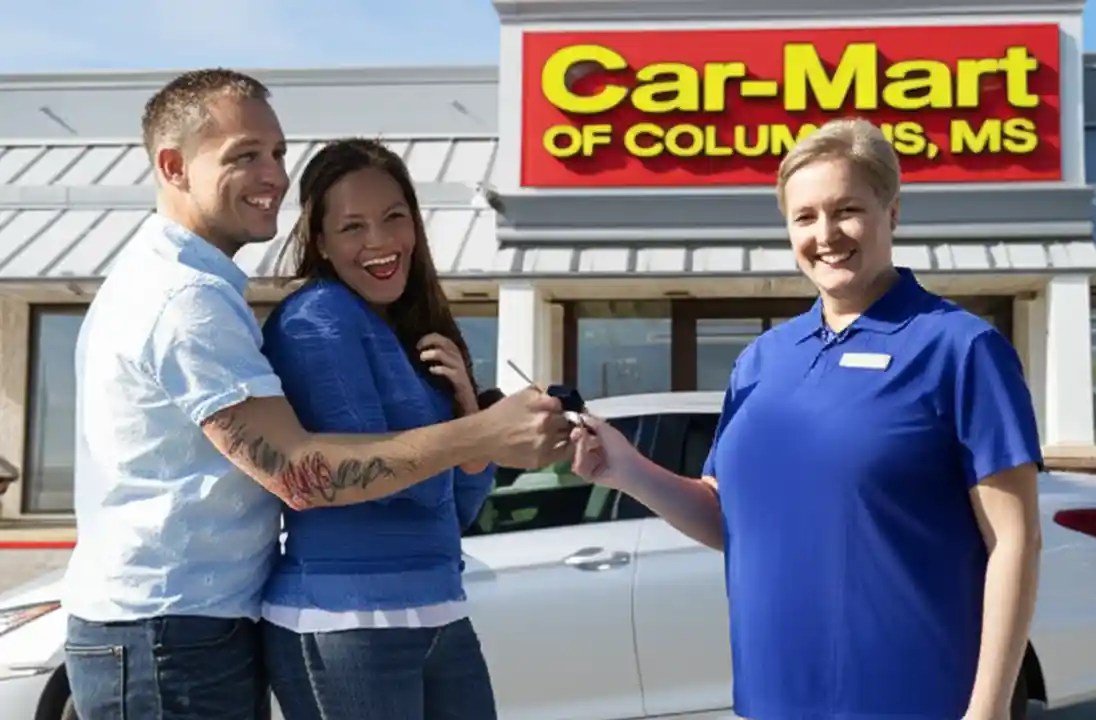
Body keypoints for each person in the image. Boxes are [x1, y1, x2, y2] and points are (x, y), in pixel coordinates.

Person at [62, 69, 572, 720]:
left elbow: (442, 498)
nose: (273, 175)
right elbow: (307, 476)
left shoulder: (202, 288)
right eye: (244, 155)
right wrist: (481, 433)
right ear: (174, 166)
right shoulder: (185, 300)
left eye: (276, 152)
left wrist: (471, 427)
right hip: (169, 632)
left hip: (196, 624)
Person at [570, 117, 1044, 720]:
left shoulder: (960, 349)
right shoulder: (763, 360)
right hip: (771, 700)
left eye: (848, 209)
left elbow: (1015, 541)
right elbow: (729, 518)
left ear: (891, 212)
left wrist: (989, 709)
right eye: (804, 217)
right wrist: (625, 467)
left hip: (917, 699)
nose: (826, 234)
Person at [258, 138, 501, 719]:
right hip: (346, 620)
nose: (381, 242)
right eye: (352, 227)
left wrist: (469, 410)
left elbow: (463, 500)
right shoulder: (319, 319)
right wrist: (478, 436)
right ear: (319, 240)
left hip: (439, 607)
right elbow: (376, 477)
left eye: (395, 217)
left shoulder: (410, 327)